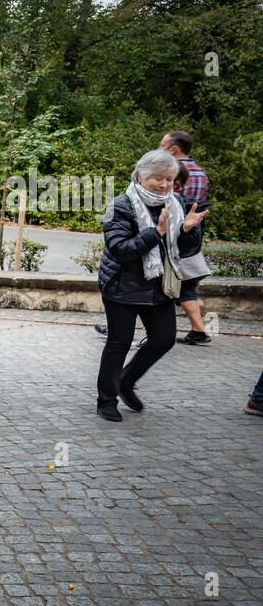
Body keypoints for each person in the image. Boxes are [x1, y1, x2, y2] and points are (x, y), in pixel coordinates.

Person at [95, 150, 205, 422]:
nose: (165, 185)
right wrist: (155, 232)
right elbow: (120, 249)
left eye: (169, 179)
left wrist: (189, 231)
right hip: (122, 285)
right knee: (119, 342)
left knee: (164, 339)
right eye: (158, 178)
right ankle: (106, 399)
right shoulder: (121, 205)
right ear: (140, 176)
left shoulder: (176, 203)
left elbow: (184, 249)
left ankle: (124, 381)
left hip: (159, 285)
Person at [169, 160, 212, 345]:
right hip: (191, 255)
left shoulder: (175, 202)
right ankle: (198, 330)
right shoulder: (200, 173)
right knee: (185, 292)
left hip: (184, 258)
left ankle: (199, 330)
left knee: (184, 292)